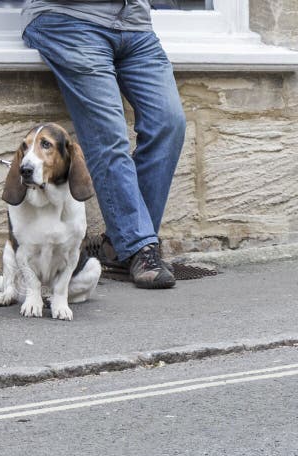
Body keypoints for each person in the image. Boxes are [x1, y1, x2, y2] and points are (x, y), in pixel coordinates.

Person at [21, 0, 187, 289]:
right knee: (108, 137)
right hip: (70, 19)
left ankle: (118, 243)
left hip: (134, 24)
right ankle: (137, 247)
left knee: (169, 124)